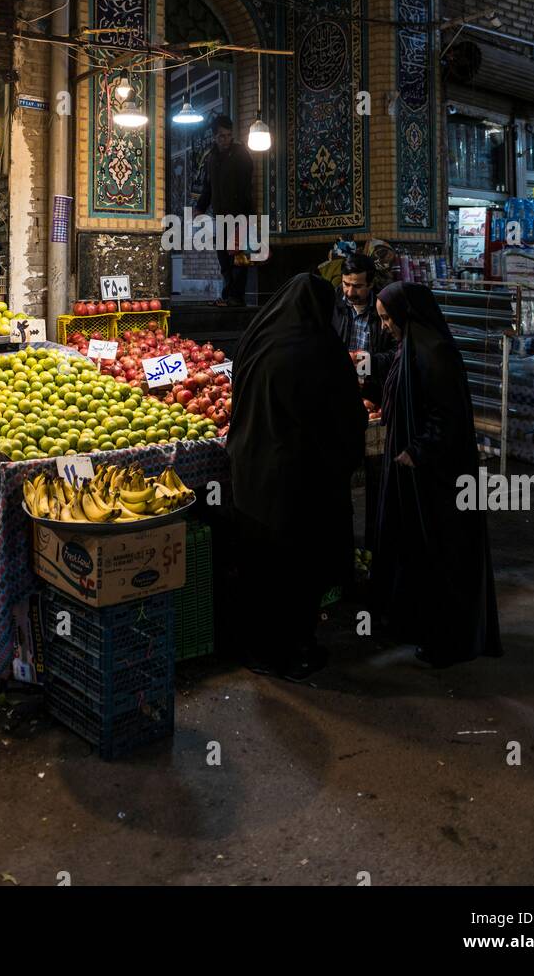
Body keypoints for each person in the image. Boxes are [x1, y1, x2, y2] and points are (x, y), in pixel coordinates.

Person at [226, 273, 367, 680]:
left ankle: (257, 651)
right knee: (298, 570)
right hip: (297, 481)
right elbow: (345, 417)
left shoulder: (256, 338)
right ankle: (297, 653)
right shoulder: (321, 349)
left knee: (258, 565)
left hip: (251, 473)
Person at [373, 281, 502, 667]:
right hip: (421, 475)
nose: (383, 326)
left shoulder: (434, 352)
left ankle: (449, 642)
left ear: (406, 314)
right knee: (423, 555)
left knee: (444, 557)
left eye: (386, 318)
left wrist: (418, 449)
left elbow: (447, 415)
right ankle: (428, 631)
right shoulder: (412, 347)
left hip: (440, 480)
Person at [194, 114, 254, 307]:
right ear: (214, 136)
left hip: (240, 215)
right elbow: (208, 187)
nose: (226, 139)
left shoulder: (241, 154)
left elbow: (246, 187)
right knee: (223, 259)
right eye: (221, 136)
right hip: (220, 217)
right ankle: (228, 295)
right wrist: (200, 207)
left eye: (228, 135)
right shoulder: (211, 158)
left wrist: (245, 219)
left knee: (238, 257)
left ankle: (237, 298)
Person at [332, 252, 395, 396]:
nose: (349, 292)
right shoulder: (332, 302)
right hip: (339, 385)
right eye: (346, 284)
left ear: (371, 283)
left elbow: (398, 350)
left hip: (376, 389)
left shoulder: (386, 307)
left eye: (357, 286)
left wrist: (368, 361)